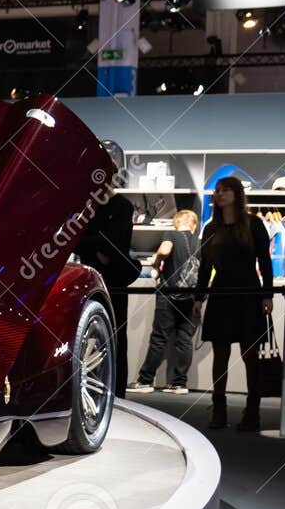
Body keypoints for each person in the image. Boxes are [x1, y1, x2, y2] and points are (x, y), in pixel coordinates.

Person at [194, 178, 273, 431]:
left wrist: (267, 294)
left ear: (237, 194)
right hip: (221, 293)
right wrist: (199, 297)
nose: (220, 194)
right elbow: (205, 266)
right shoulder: (211, 228)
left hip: (249, 292)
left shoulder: (254, 224)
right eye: (217, 190)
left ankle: (253, 411)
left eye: (225, 190)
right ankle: (219, 408)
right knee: (220, 354)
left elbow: (265, 261)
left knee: (250, 355)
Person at [77, 179, 140, 398]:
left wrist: (95, 244)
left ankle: (116, 393)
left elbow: (115, 242)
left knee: (115, 337)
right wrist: (100, 246)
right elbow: (77, 241)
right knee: (91, 337)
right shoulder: (89, 207)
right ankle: (96, 391)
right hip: (93, 281)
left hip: (112, 282)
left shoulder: (121, 206)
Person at [130, 208, 201, 395]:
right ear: (194, 225)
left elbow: (164, 250)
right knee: (184, 339)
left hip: (169, 293)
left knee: (159, 338)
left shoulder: (172, 234)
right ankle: (179, 384)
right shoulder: (200, 242)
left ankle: (145, 381)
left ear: (177, 223)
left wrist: (156, 261)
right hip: (190, 297)